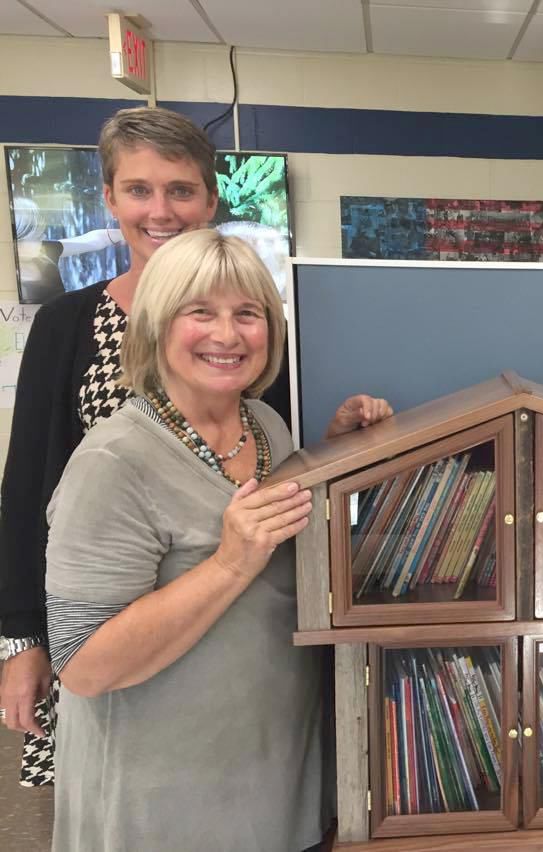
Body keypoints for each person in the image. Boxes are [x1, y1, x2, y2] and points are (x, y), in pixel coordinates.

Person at [0, 106, 389, 787]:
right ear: (110, 198)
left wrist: (328, 447)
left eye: (180, 190)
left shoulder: (252, 337)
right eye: (139, 190)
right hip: (109, 626)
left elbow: (265, 461)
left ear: (210, 201)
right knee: (122, 782)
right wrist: (21, 639)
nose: (161, 211)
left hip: (238, 645)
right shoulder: (68, 326)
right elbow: (29, 484)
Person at [42, 228, 382, 851]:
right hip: (162, 801)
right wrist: (229, 563)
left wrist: (332, 454)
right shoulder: (112, 463)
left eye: (247, 314)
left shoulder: (266, 426)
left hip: (275, 774)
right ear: (156, 326)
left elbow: (279, 559)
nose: (227, 335)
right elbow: (82, 664)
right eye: (199, 312)